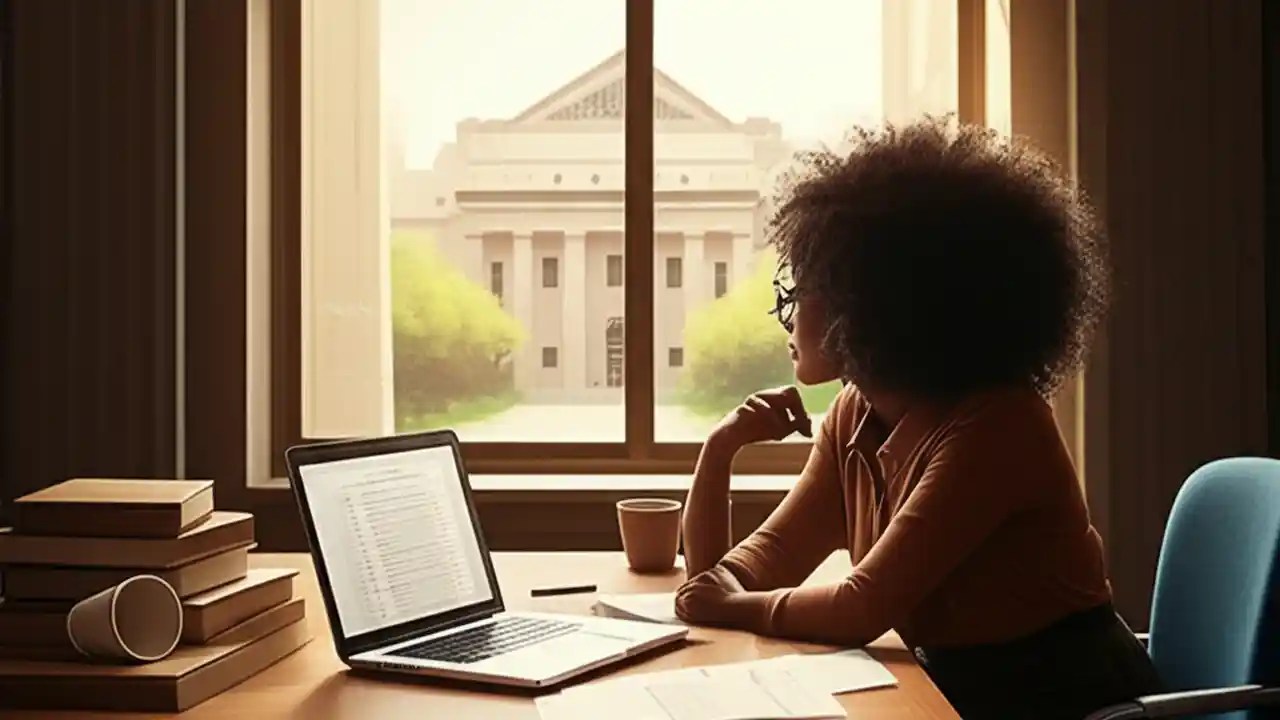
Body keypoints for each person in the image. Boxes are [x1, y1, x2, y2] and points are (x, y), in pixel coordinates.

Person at [675, 117, 1162, 720]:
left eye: (801, 286)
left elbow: (861, 607)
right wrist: (720, 450)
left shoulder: (1000, 426)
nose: (788, 307)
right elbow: (725, 583)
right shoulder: (855, 415)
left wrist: (723, 602)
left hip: (1064, 700)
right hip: (949, 692)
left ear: (868, 302)